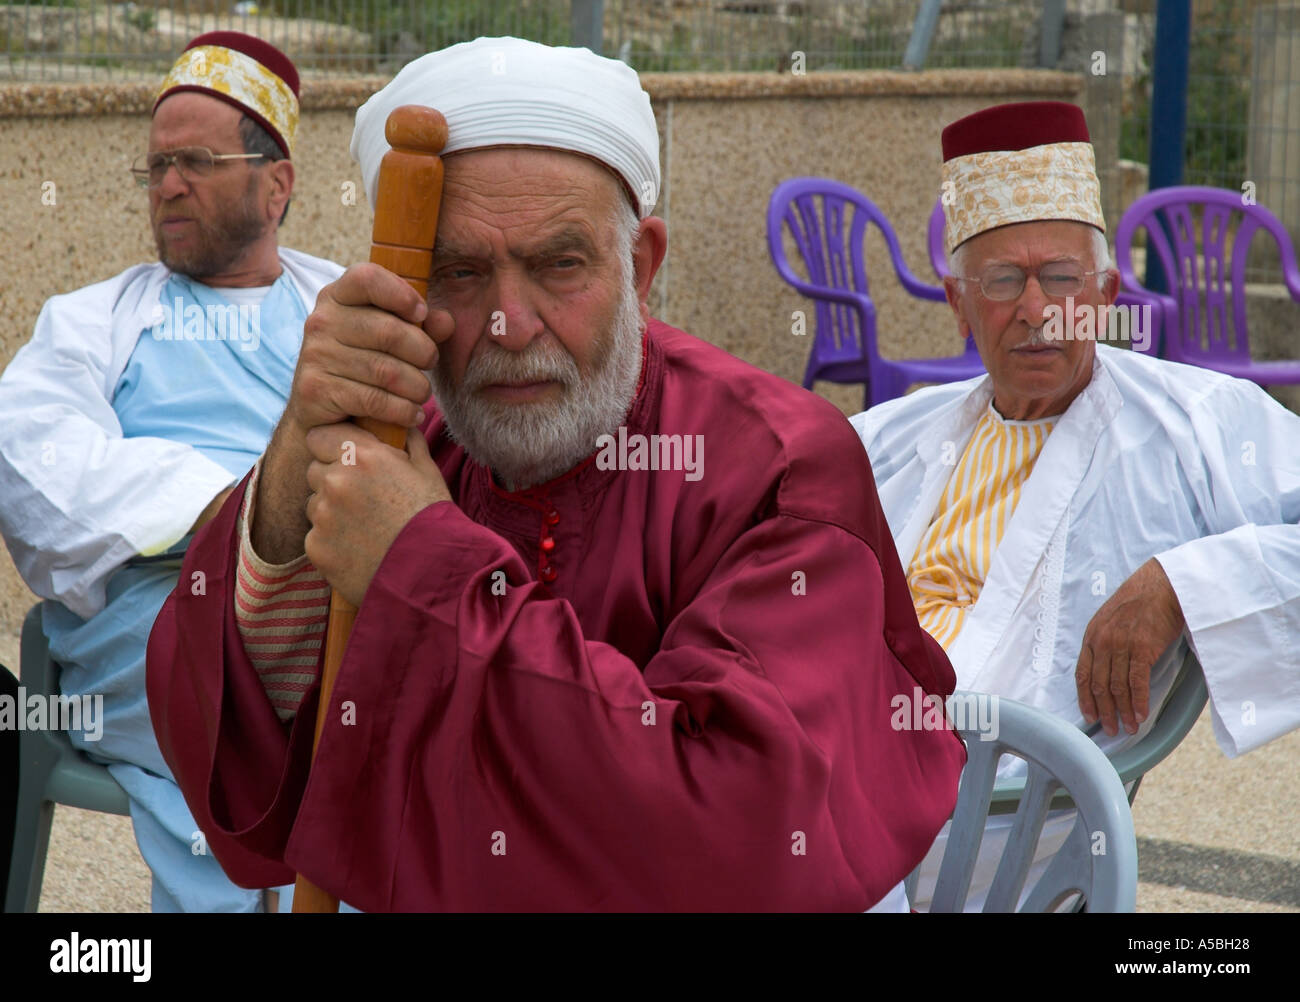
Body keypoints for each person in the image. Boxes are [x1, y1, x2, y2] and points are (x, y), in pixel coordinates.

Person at [145, 36, 966, 912]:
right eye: (461, 272)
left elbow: (738, 835)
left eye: (558, 265)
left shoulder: (782, 467)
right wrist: (292, 466)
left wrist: (423, 565)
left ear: (640, 267)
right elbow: (245, 762)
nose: (509, 322)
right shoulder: (412, 447)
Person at [851, 101, 1300, 909]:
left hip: (1004, 827)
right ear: (956, 303)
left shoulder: (1194, 426)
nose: (1034, 310)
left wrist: (1180, 582)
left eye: (1060, 278)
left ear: (1105, 292)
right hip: (833, 768)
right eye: (1000, 282)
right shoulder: (888, 437)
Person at [0, 31, 342, 911]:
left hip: (330, 594)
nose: (167, 187)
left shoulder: (340, 309)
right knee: (263, 695)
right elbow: (35, 462)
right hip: (156, 616)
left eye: (195, 161)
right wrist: (244, 513)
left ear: (279, 182)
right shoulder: (91, 322)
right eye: (154, 167)